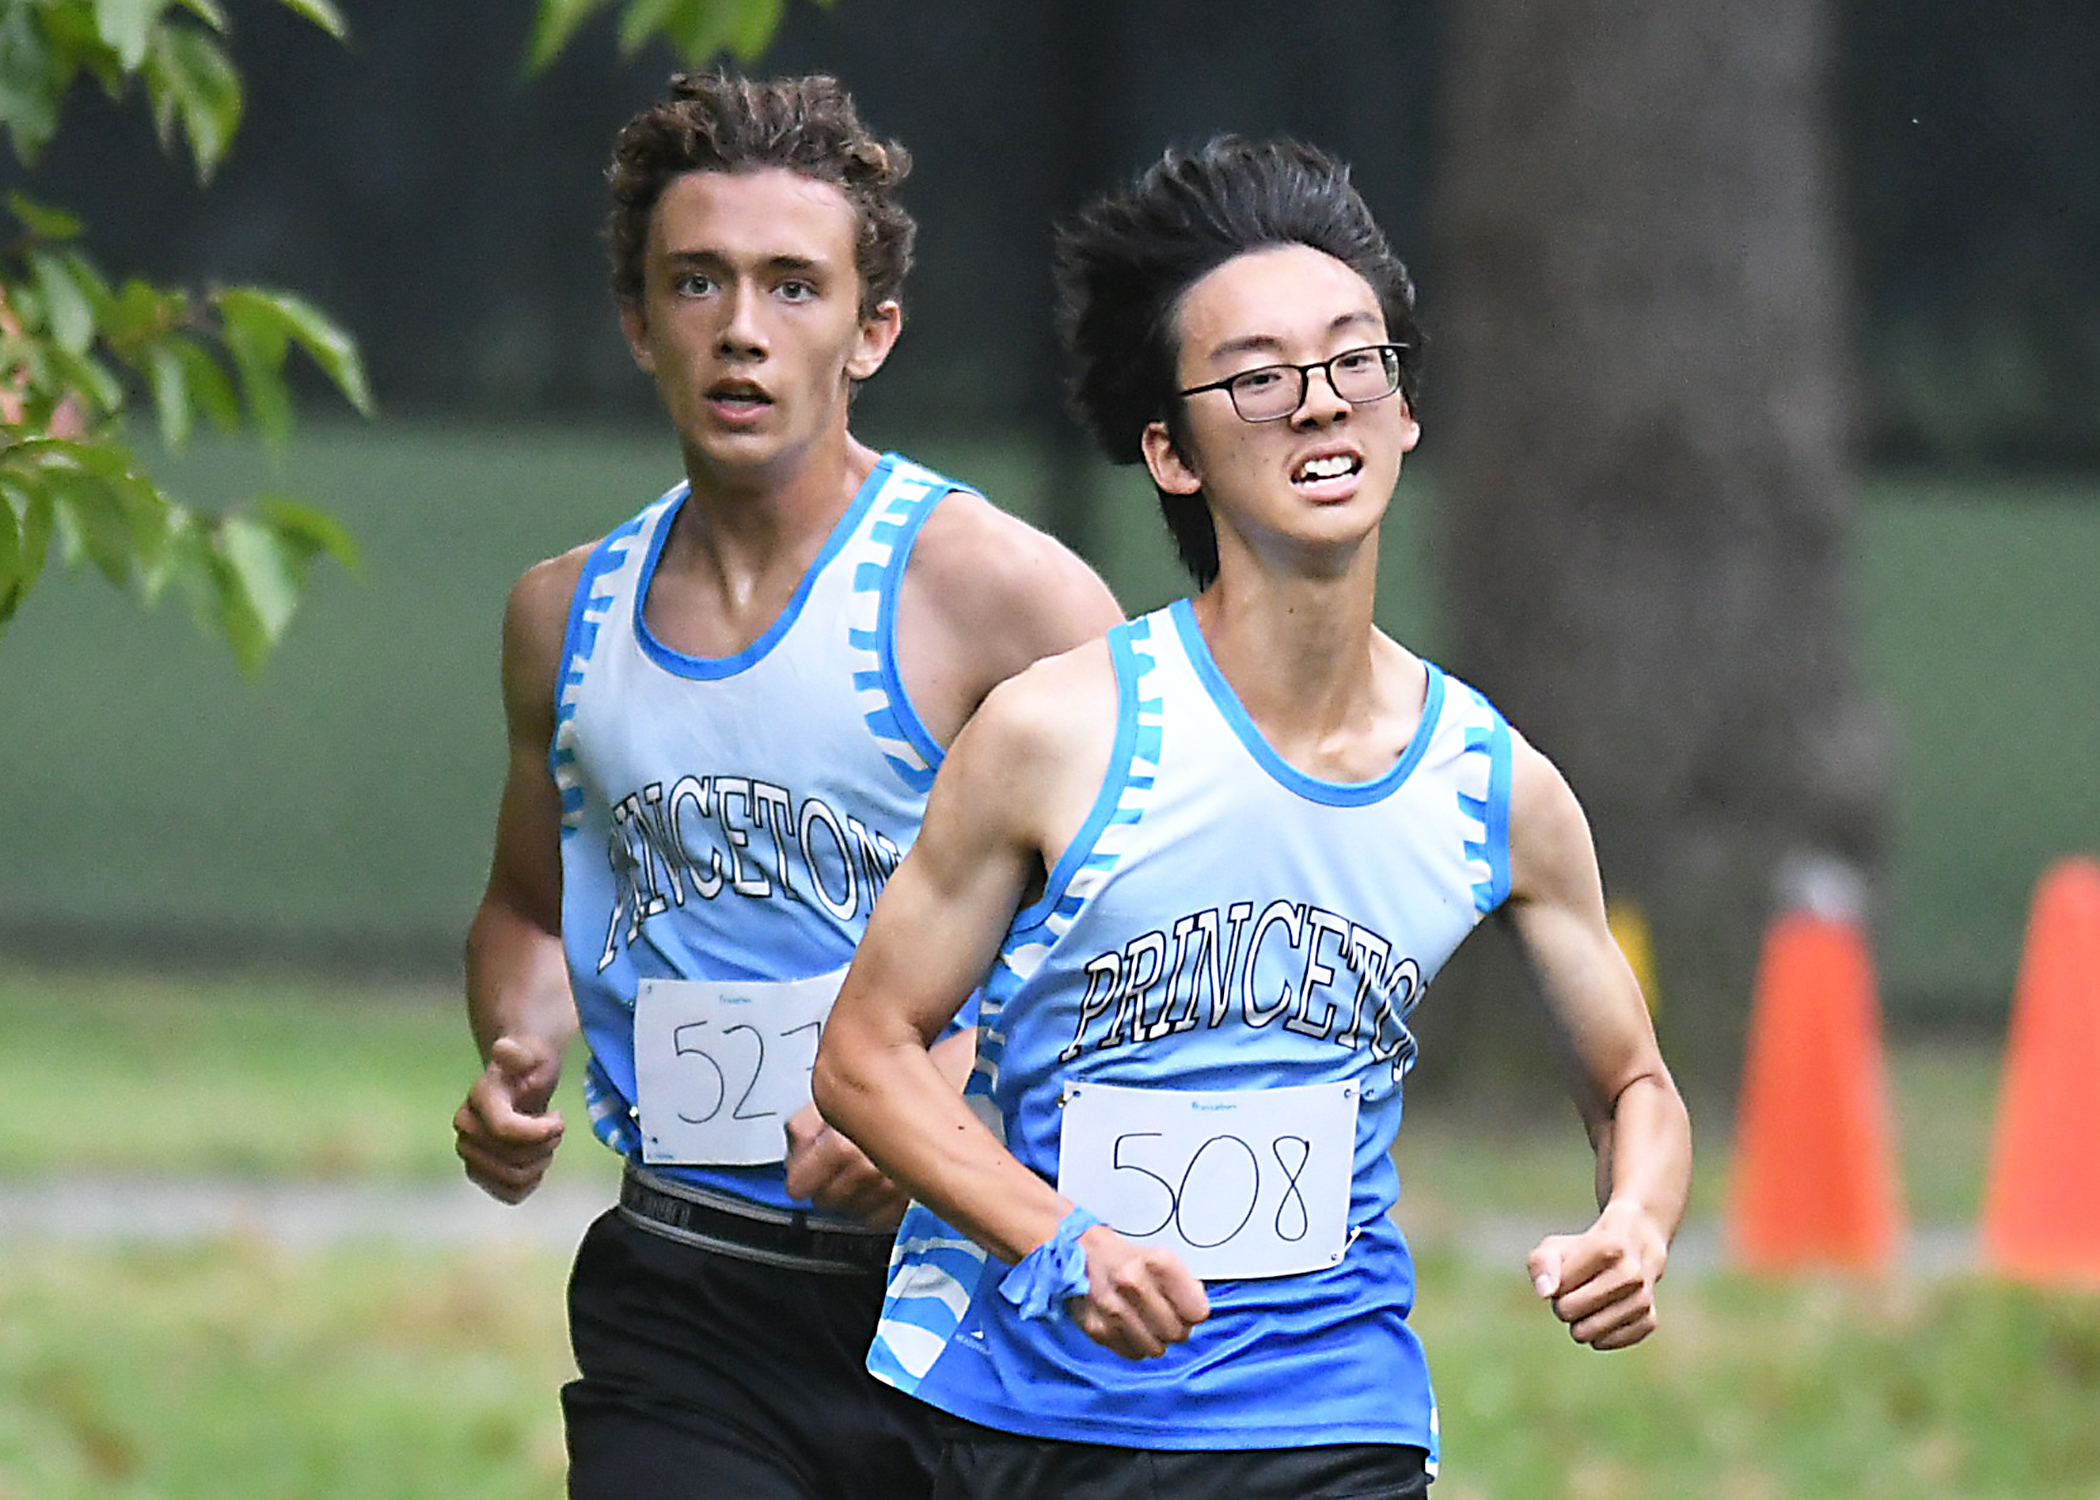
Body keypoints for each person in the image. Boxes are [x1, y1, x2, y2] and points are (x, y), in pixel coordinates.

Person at [811, 136, 1694, 1499]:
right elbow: (866, 1053)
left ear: (1403, 411)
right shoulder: (1056, 735)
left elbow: (1633, 1085)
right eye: (1259, 380)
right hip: (1038, 1424)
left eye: (1356, 363)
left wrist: (1634, 1221)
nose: (1320, 405)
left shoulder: (1493, 782)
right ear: (1170, 450)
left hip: (1335, 1419)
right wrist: (1061, 1242)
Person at [450, 72, 1122, 1500]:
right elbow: (527, 902)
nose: (742, 330)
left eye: (792, 286)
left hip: (970, 1315)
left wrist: (942, 1096)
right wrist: (517, 1049)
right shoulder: (561, 616)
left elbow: (1146, 933)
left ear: (870, 330)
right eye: (696, 282)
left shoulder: (998, 595)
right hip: (689, 1307)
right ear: (639, 321)